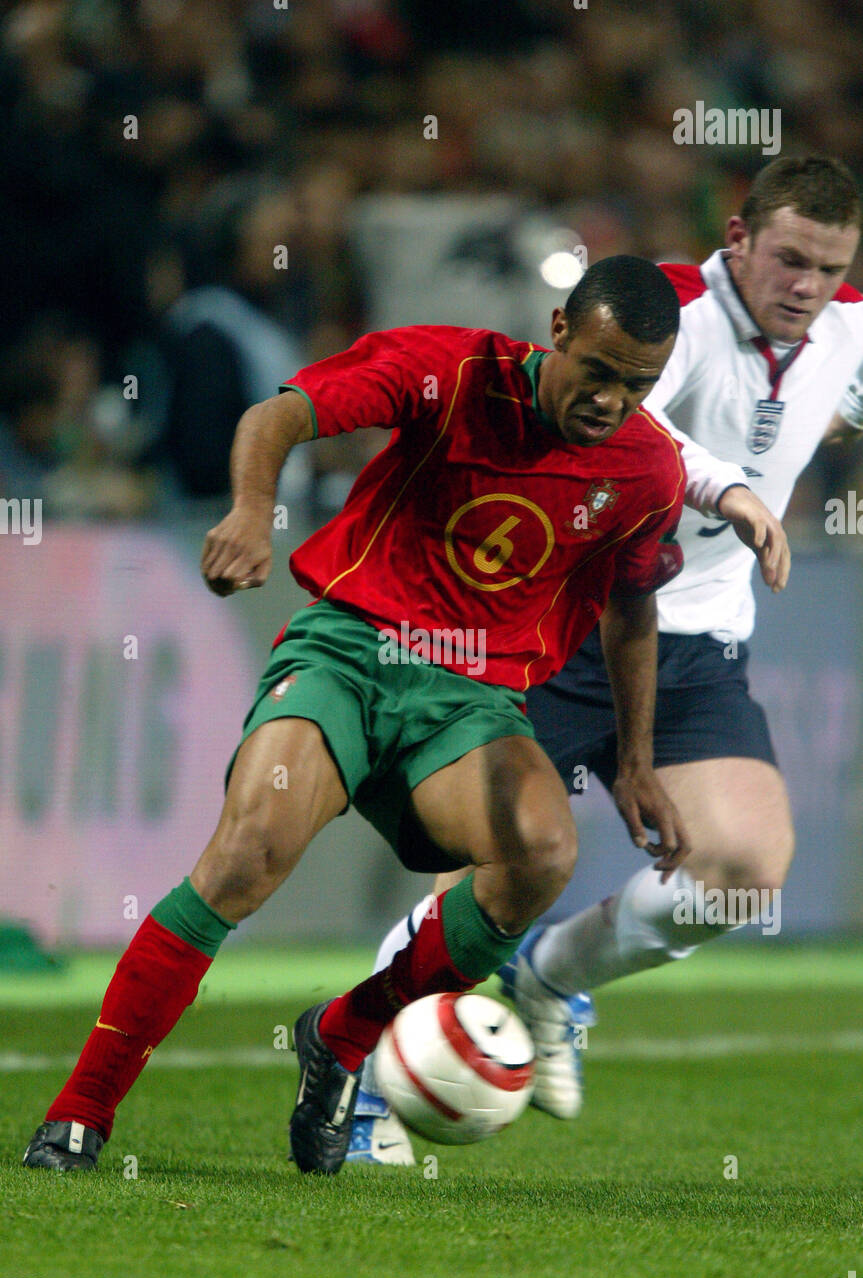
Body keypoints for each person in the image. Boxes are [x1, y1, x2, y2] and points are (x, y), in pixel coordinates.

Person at [22, 255, 692, 1178]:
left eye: (639, 384)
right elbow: (280, 413)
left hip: (469, 704)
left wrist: (637, 760)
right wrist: (254, 513)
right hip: (349, 649)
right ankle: (81, 1111)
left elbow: (631, 606)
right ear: (560, 330)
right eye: (601, 371)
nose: (613, 400)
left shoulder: (647, 470)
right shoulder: (450, 371)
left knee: (540, 853)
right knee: (248, 852)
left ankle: (343, 1037)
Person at [352, 153, 863, 1165]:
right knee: (485, 864)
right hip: (568, 623)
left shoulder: (845, 334)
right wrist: (727, 493)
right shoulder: (667, 312)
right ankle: (365, 1082)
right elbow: (632, 426)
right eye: (787, 259)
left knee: (739, 869)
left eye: (827, 268)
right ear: (737, 240)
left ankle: (547, 977)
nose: (803, 286)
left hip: (698, 647)